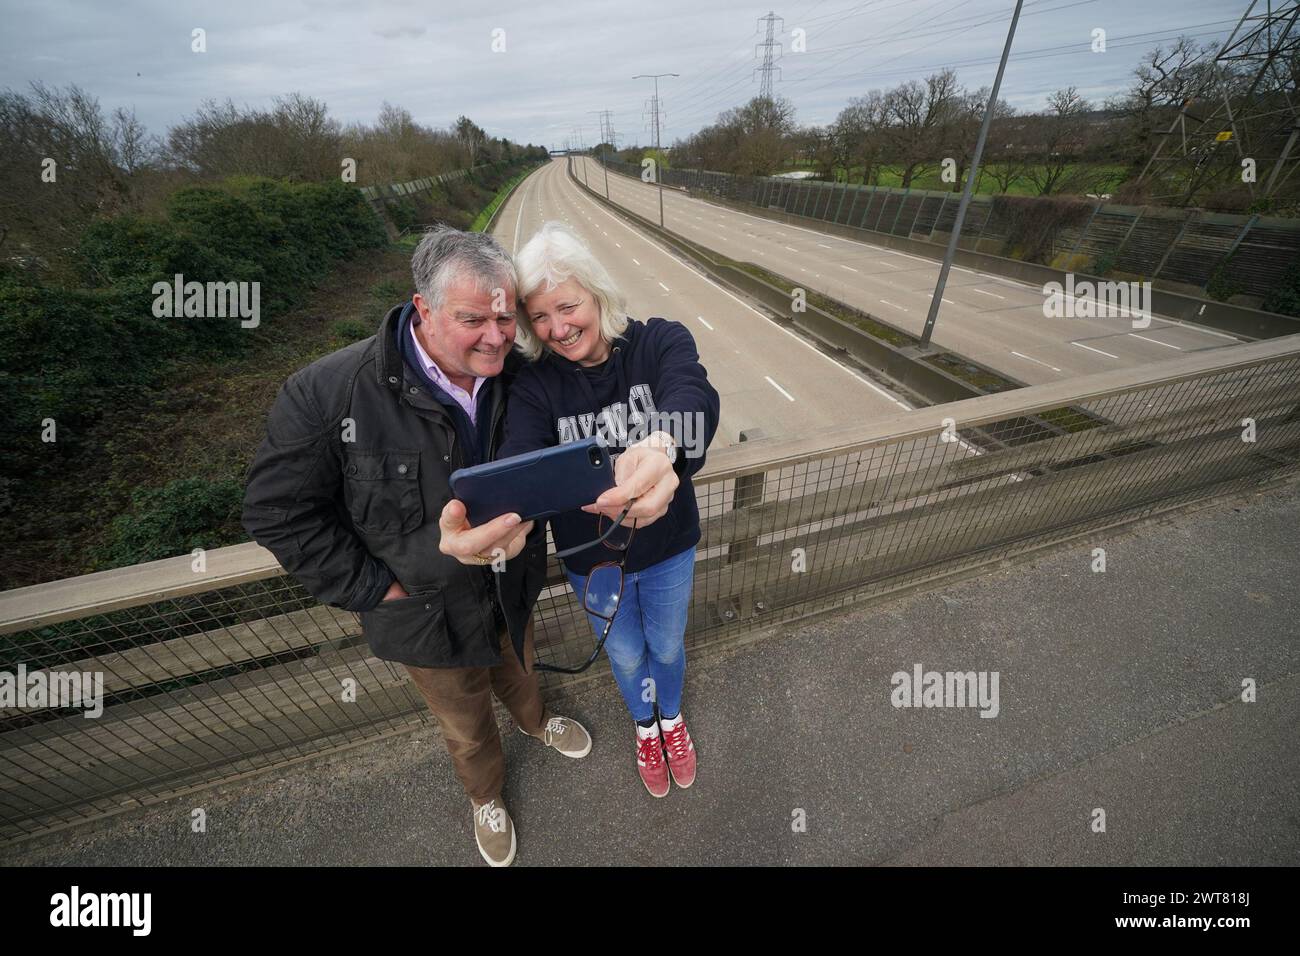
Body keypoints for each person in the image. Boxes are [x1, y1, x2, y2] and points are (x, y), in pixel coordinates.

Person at [242, 226, 591, 867]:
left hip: (511, 591)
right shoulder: (327, 394)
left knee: (521, 671)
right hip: (424, 615)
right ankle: (486, 795)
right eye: (472, 319)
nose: (496, 336)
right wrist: (379, 589)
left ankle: (537, 721)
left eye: (505, 316)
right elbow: (277, 512)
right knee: (465, 723)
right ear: (423, 309)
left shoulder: (521, 378)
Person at [446, 220, 719, 798]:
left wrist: (662, 444)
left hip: (668, 546)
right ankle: (644, 725)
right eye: (539, 317)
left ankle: (671, 718)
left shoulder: (658, 341)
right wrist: (508, 519)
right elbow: (522, 456)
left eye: (567, 307)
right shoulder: (535, 386)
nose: (557, 328)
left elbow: (691, 394)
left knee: (667, 645)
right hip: (592, 560)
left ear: (597, 293)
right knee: (623, 652)